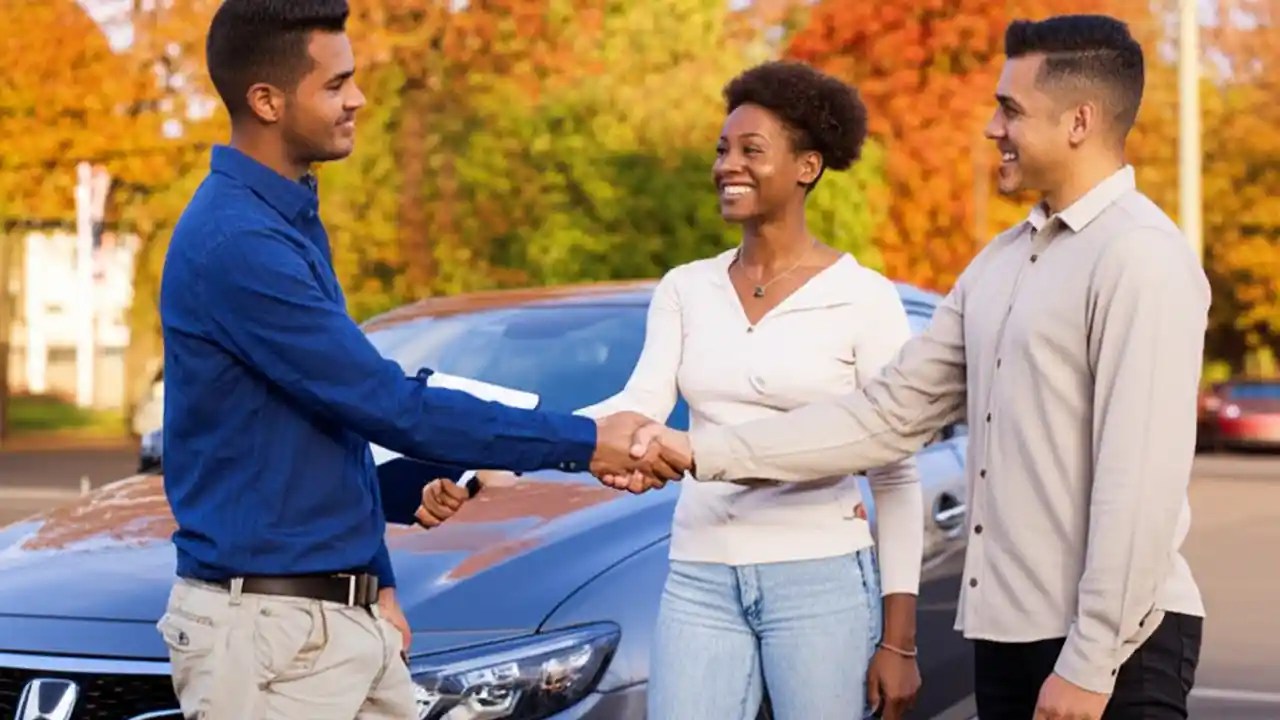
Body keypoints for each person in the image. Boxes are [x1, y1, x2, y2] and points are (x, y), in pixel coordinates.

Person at [626, 14, 1209, 720]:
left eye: (1010, 109)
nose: (994, 128)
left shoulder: (1140, 257)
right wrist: (702, 450)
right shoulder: (999, 264)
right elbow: (885, 415)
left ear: (1079, 121)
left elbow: (1138, 482)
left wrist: (1090, 661)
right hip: (1009, 633)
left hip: (1115, 648)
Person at [155, 2, 670, 718]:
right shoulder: (239, 244)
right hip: (273, 642)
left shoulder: (283, 220)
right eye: (336, 85)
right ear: (267, 101)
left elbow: (315, 430)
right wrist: (588, 439)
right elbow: (385, 403)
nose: (358, 99)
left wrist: (379, 564)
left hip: (339, 625)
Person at [418, 60, 925, 720]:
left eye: (751, 150)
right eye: (722, 151)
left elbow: (895, 474)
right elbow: (639, 407)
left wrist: (900, 640)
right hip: (699, 577)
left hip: (820, 579)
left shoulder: (862, 297)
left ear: (807, 166)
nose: (727, 166)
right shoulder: (688, 287)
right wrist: (495, 459)